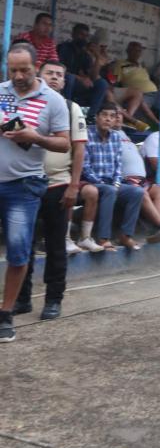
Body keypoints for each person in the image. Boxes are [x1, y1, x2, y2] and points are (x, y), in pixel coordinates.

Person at [0, 44, 69, 342]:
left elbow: (64, 144)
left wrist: (35, 137)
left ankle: (6, 313)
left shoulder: (53, 101)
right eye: (12, 70)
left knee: (18, 252)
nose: (18, 76)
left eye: (24, 70)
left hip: (23, 185)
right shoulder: (0, 92)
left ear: (35, 65)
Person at [14, 60, 87, 320]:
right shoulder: (23, 103)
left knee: (56, 246)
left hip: (58, 184)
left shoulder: (70, 107)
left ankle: (53, 300)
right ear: (38, 75)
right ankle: (22, 299)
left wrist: (74, 185)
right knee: (23, 246)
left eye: (59, 75)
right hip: (24, 184)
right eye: (50, 73)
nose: (54, 78)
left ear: (65, 82)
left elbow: (79, 148)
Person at [81, 104, 145, 250]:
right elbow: (85, 167)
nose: (108, 119)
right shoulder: (86, 135)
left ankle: (126, 235)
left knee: (137, 192)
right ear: (96, 117)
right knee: (109, 191)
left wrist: (116, 184)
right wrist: (102, 183)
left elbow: (118, 166)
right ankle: (103, 238)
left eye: (112, 116)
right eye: (104, 115)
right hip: (90, 183)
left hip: (111, 183)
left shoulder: (116, 137)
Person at [113, 109, 160, 243]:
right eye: (113, 115)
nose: (117, 117)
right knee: (142, 194)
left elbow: (143, 127)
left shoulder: (124, 133)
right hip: (124, 181)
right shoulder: (108, 134)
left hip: (141, 180)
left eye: (119, 115)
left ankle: (155, 230)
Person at [57, 22, 110, 118]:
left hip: (77, 84)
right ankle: (67, 113)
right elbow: (59, 69)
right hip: (64, 81)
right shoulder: (64, 48)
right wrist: (80, 78)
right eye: (81, 34)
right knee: (70, 77)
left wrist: (97, 56)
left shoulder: (84, 53)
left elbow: (93, 77)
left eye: (86, 36)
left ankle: (90, 116)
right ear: (73, 34)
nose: (83, 38)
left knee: (102, 83)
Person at [113, 42, 160, 126]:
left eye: (138, 51)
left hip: (156, 93)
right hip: (142, 94)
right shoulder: (120, 64)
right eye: (133, 50)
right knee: (142, 107)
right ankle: (155, 125)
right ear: (128, 51)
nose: (136, 53)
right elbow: (114, 81)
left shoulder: (142, 65)